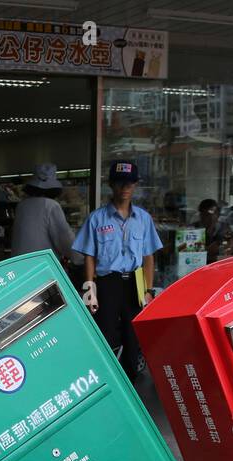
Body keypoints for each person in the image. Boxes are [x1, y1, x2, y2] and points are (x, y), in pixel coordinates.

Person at [73, 159, 162, 384]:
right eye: (120, 183)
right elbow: (89, 256)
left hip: (135, 283)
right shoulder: (97, 218)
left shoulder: (142, 219)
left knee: (133, 335)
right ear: (111, 185)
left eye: (130, 183)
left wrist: (149, 290)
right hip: (107, 283)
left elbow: (148, 256)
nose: (125, 188)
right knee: (106, 333)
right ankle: (108, 381)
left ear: (135, 185)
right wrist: (89, 289)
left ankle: (132, 380)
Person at [10, 163, 75, 258]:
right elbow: (64, 237)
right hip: (41, 264)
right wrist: (80, 258)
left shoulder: (21, 205)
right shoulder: (51, 205)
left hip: (19, 263)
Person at [196, 198, 232, 263]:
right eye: (207, 215)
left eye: (214, 214)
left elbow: (227, 246)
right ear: (201, 215)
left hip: (217, 263)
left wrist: (221, 245)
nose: (211, 217)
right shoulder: (194, 228)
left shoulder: (224, 228)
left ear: (218, 215)